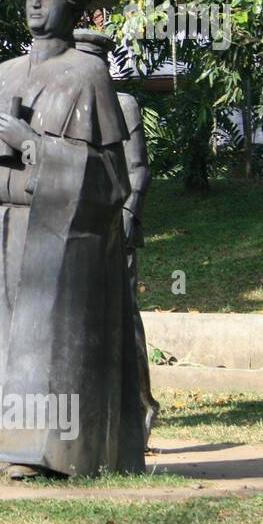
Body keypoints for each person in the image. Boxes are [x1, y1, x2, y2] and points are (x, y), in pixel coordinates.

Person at [0, 0, 146, 478]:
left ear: (71, 5)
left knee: (42, 345)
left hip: (54, 234)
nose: (34, 4)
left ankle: (40, 453)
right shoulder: (3, 75)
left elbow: (111, 178)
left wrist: (36, 146)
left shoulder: (87, 75)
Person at [74, 28, 159, 444]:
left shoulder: (123, 104)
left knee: (125, 319)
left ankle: (142, 406)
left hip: (116, 227)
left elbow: (138, 167)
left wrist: (128, 214)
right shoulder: (67, 102)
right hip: (76, 230)